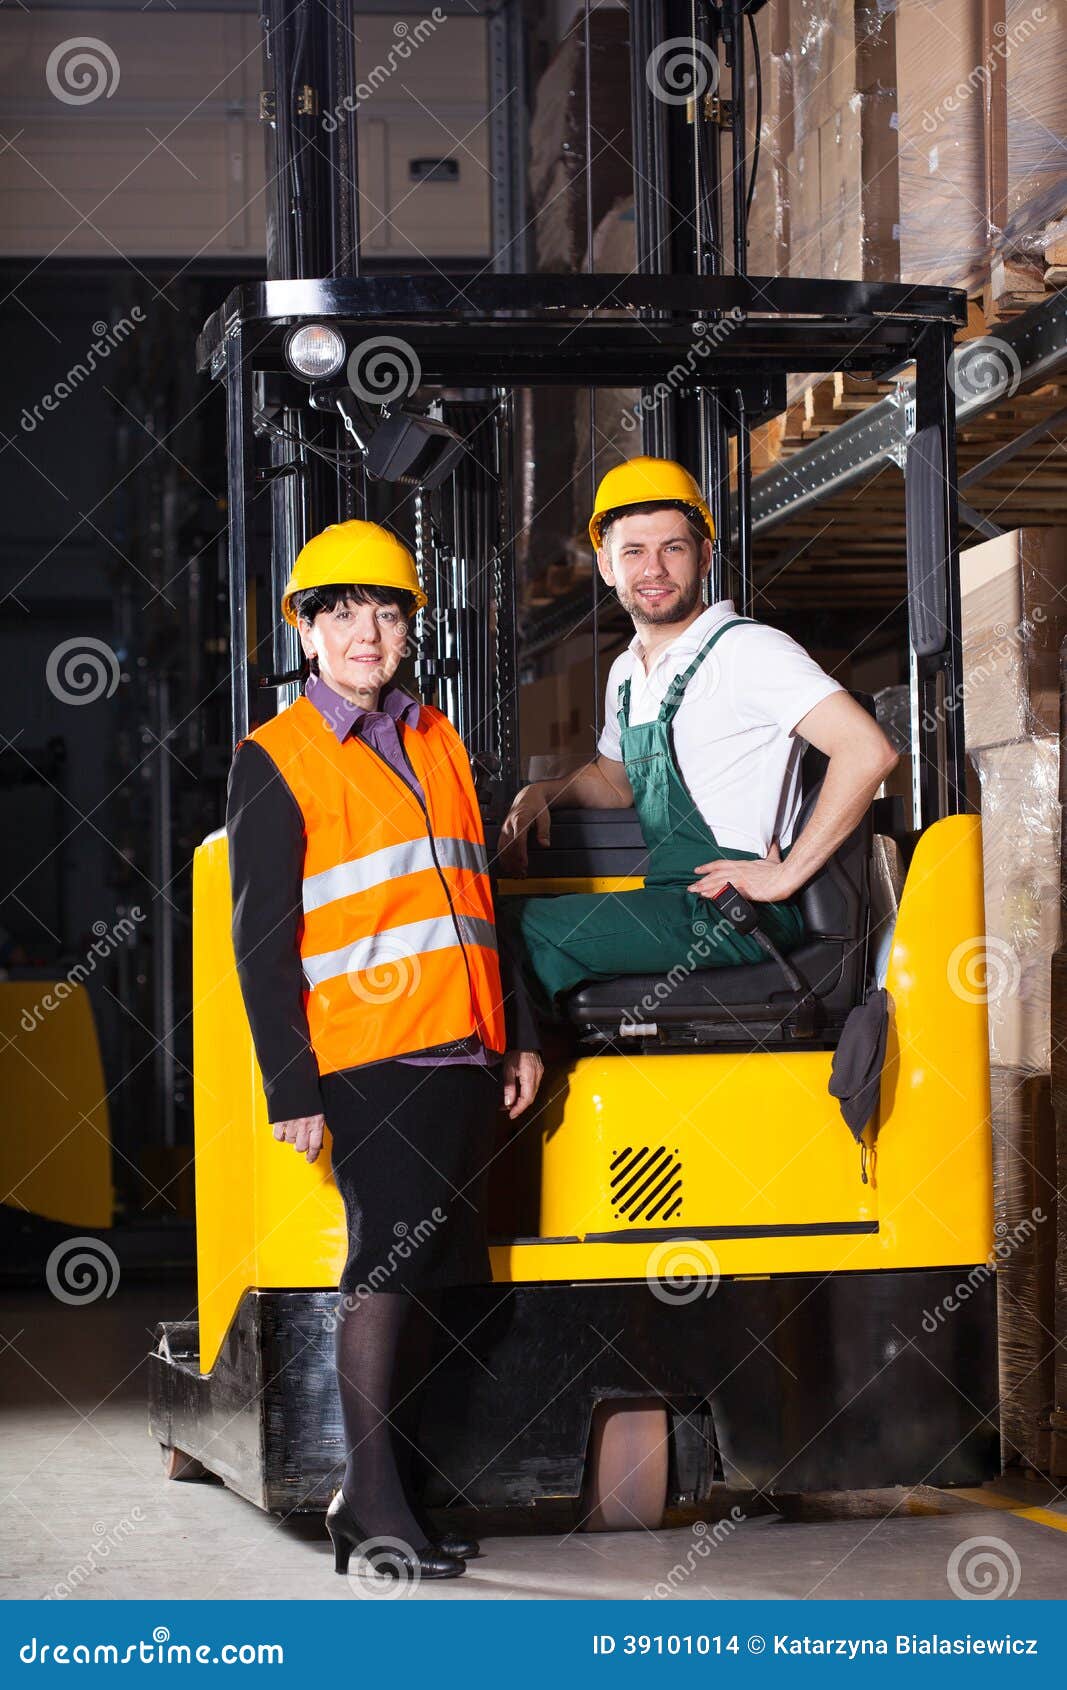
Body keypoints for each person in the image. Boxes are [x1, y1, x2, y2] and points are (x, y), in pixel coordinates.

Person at [226, 519, 543, 1582]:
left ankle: (384, 1494)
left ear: (408, 627)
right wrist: (290, 1082)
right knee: (386, 1269)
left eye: (387, 609)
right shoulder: (275, 759)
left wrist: (516, 1031)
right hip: (366, 1061)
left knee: (437, 1281)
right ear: (307, 631)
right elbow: (260, 940)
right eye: (343, 611)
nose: (367, 629)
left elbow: (475, 895)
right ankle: (367, 1504)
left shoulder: (436, 738)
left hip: (459, 1050)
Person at [498, 456, 898, 1009]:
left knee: (497, 931)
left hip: (732, 913)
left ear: (705, 556)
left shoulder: (746, 649)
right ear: (607, 565)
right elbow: (616, 784)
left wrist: (784, 877)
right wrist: (540, 793)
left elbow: (867, 750)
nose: (653, 569)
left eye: (673, 548)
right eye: (634, 551)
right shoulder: (628, 673)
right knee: (486, 926)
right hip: (674, 900)